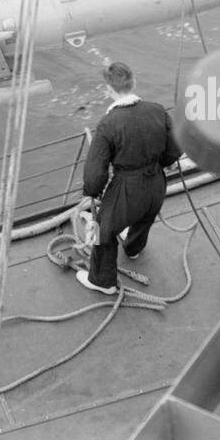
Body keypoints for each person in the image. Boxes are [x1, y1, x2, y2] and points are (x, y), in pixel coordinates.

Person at [78, 62, 182, 296]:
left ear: (108, 89)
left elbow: (96, 172)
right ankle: (134, 248)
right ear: (133, 82)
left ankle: (103, 281)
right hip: (156, 183)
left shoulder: (107, 124)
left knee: (104, 231)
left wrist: (93, 192)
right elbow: (174, 149)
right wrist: (159, 166)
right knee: (145, 218)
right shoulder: (157, 110)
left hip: (128, 187)